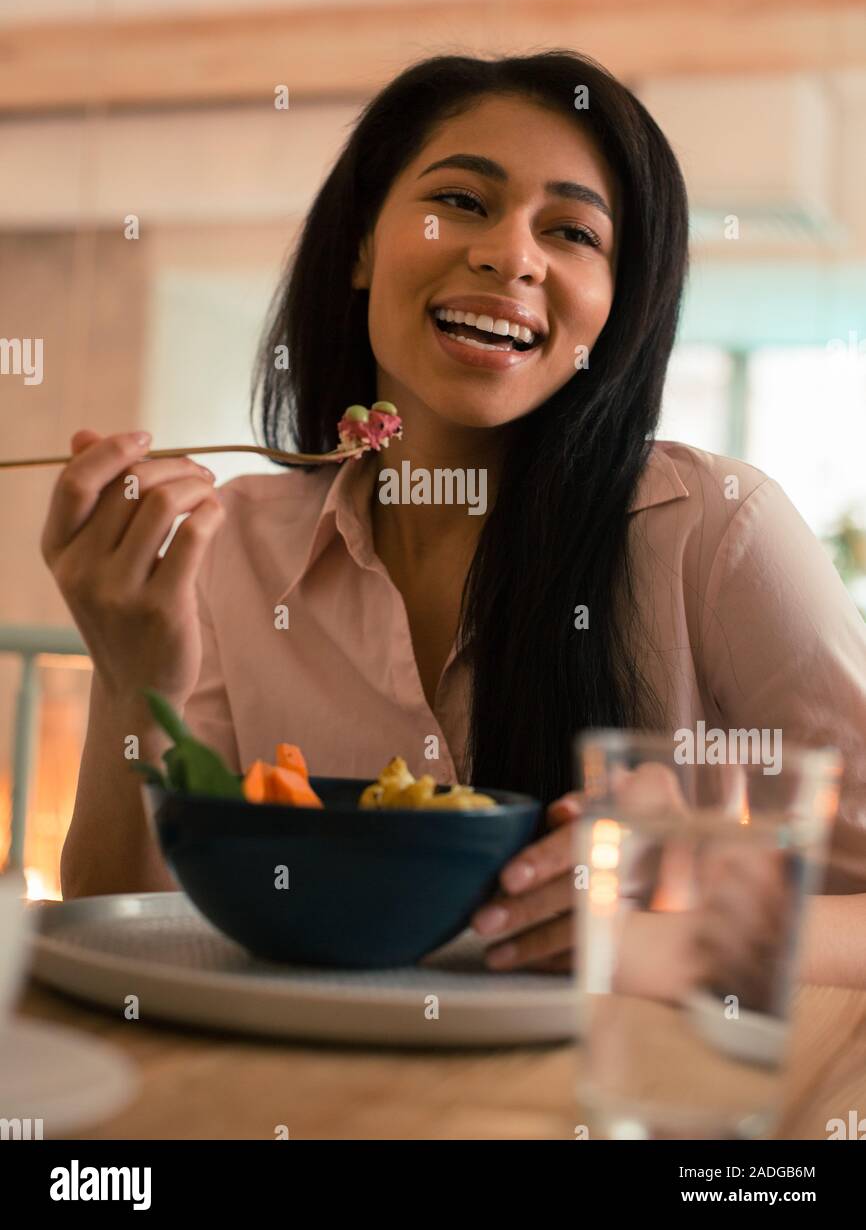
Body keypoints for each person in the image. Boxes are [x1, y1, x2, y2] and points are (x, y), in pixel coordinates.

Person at [44, 50, 866, 984]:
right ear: (360, 243)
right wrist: (128, 675)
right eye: (464, 203)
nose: (511, 256)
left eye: (572, 232)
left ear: (618, 305)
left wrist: (656, 934)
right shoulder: (234, 548)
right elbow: (129, 934)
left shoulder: (718, 531)